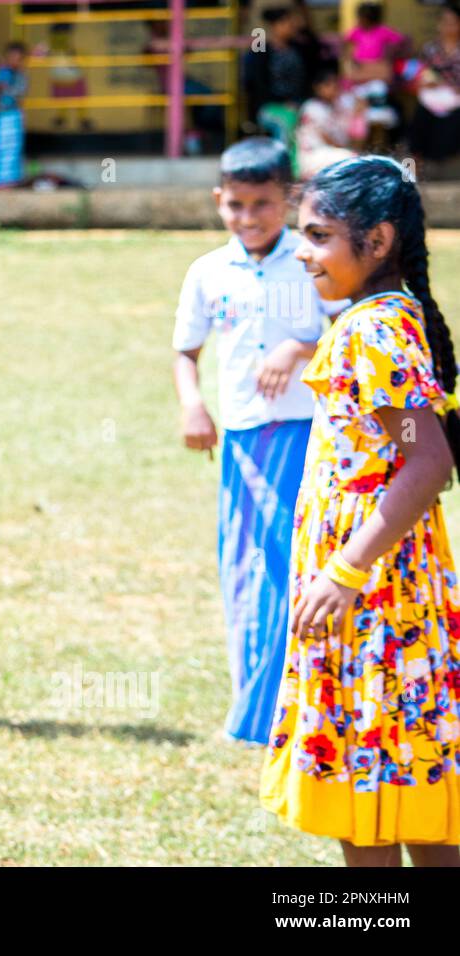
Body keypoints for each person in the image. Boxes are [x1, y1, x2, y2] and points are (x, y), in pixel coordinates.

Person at [261, 155, 460, 866]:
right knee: (404, 781)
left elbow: (428, 460)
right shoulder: (378, 319)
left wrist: (344, 570)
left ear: (376, 242)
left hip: (375, 600)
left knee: (369, 792)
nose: (301, 252)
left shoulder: (375, 329)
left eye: (317, 236)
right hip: (381, 594)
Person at [173, 137, 344, 746]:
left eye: (262, 205)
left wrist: (297, 347)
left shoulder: (313, 261)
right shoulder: (208, 272)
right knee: (246, 570)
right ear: (219, 200)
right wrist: (194, 405)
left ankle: (300, 703)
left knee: (297, 565)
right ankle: (258, 707)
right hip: (244, 439)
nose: (248, 218)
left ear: (290, 199)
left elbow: (346, 332)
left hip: (313, 435)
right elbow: (186, 351)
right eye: (235, 205)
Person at [245, 7, 310, 152]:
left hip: (299, 103)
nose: (292, 26)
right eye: (288, 23)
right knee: (286, 122)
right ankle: (286, 167)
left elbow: (306, 77)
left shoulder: (298, 48)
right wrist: (283, 103)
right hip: (271, 106)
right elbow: (256, 83)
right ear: (275, 25)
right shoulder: (261, 49)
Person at [409, 2, 460, 171]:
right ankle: (409, 176)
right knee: (416, 130)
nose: (447, 27)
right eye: (444, 22)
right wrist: (423, 82)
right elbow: (417, 75)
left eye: (452, 22)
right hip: (430, 102)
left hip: (456, 104)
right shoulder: (429, 49)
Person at [297, 66, 364, 180]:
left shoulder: (338, 105)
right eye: (328, 84)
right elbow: (328, 140)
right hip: (313, 156)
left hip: (331, 153)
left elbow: (354, 132)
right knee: (353, 158)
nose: (334, 88)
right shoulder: (312, 107)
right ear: (317, 88)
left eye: (336, 84)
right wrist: (347, 149)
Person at [0, 41, 26, 189]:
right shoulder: (2, 72)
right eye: (12, 57)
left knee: (13, 147)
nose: (15, 60)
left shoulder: (20, 75)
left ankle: (11, 180)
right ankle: (0, 180)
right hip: (2, 115)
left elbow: (19, 93)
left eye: (18, 57)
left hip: (14, 114)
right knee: (2, 147)